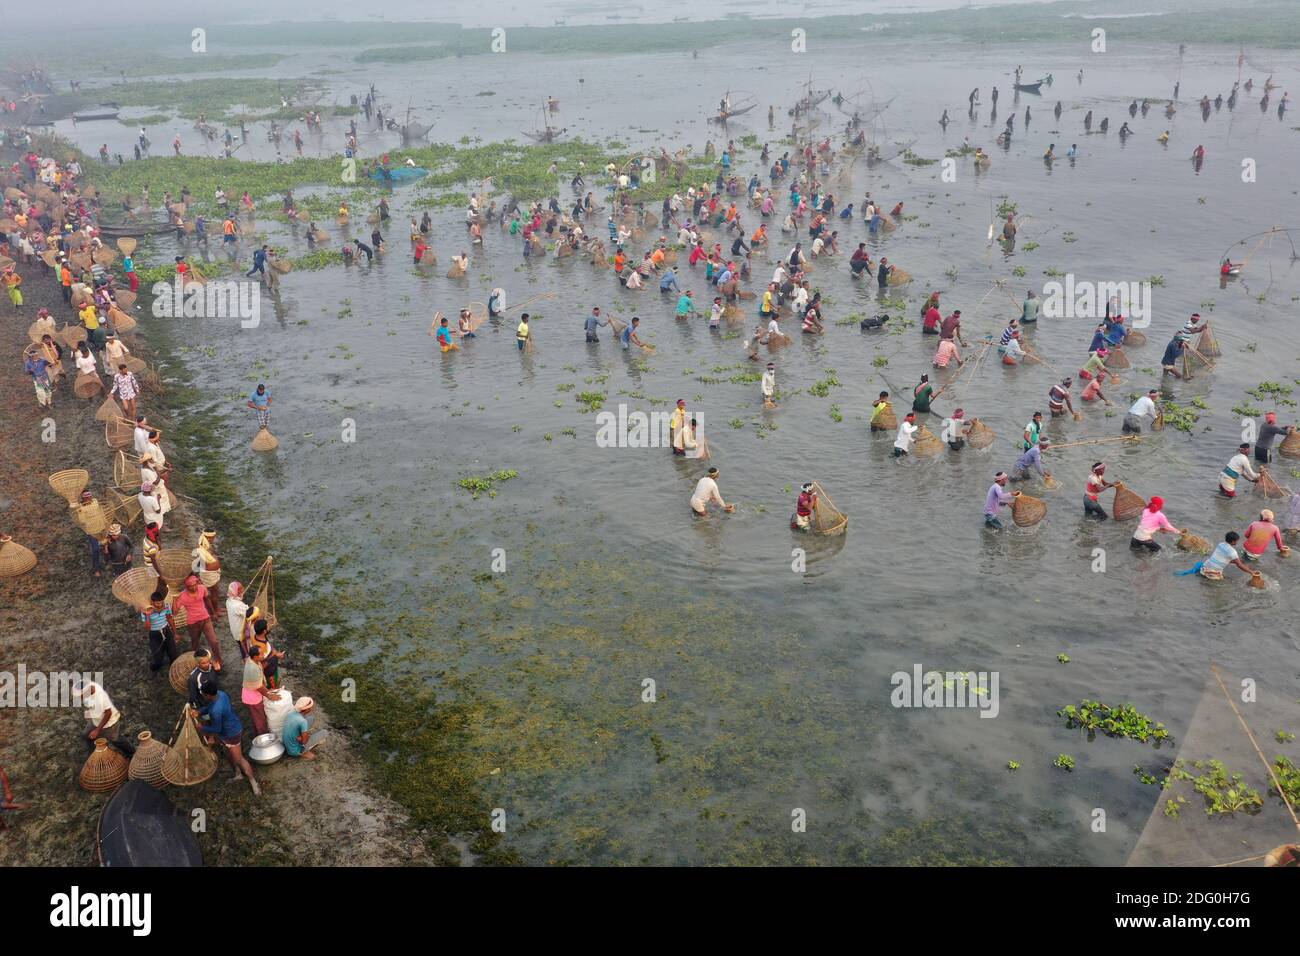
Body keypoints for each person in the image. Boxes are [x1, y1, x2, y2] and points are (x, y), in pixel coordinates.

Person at [197, 684, 260, 795]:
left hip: (231, 734)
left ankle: (254, 783)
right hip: (233, 726)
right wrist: (200, 712)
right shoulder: (221, 693)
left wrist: (202, 727)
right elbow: (209, 707)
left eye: (203, 694)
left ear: (208, 695)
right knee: (229, 754)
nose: (202, 696)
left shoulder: (216, 711)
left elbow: (216, 728)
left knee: (239, 759)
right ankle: (238, 773)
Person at [174, 573, 221, 668]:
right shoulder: (182, 596)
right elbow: (174, 612)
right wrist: (174, 599)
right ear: (186, 587)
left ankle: (218, 660)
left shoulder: (202, 588)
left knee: (214, 641)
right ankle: (194, 661)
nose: (194, 587)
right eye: (191, 586)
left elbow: (207, 600)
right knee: (195, 642)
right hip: (193, 623)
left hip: (205, 618)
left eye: (195, 584)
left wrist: (213, 613)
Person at [139, 589, 179, 674]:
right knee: (158, 657)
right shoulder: (146, 611)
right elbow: (147, 628)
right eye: (157, 603)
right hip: (154, 633)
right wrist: (147, 617)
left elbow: (169, 618)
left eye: (161, 602)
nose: (160, 605)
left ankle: (173, 669)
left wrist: (175, 633)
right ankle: (155, 666)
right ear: (152, 602)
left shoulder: (166, 606)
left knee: (173, 653)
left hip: (166, 630)